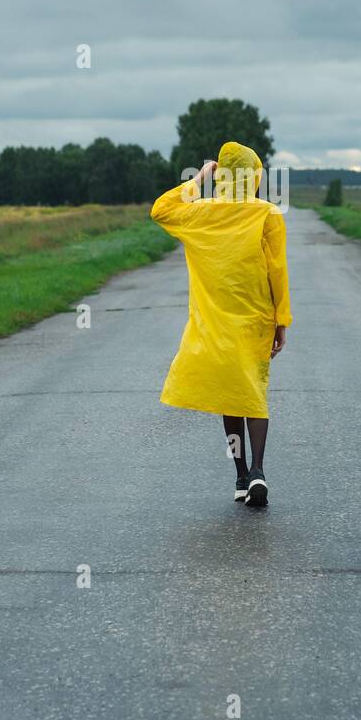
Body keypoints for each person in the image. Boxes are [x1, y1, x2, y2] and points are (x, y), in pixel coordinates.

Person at [150, 140, 292, 506]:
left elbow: (161, 210)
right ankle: (258, 471)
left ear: (224, 176)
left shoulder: (200, 213)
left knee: (230, 394)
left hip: (214, 319)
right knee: (253, 391)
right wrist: (282, 321)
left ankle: (242, 477)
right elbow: (277, 271)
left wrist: (199, 176)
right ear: (255, 175)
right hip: (255, 316)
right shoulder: (268, 214)